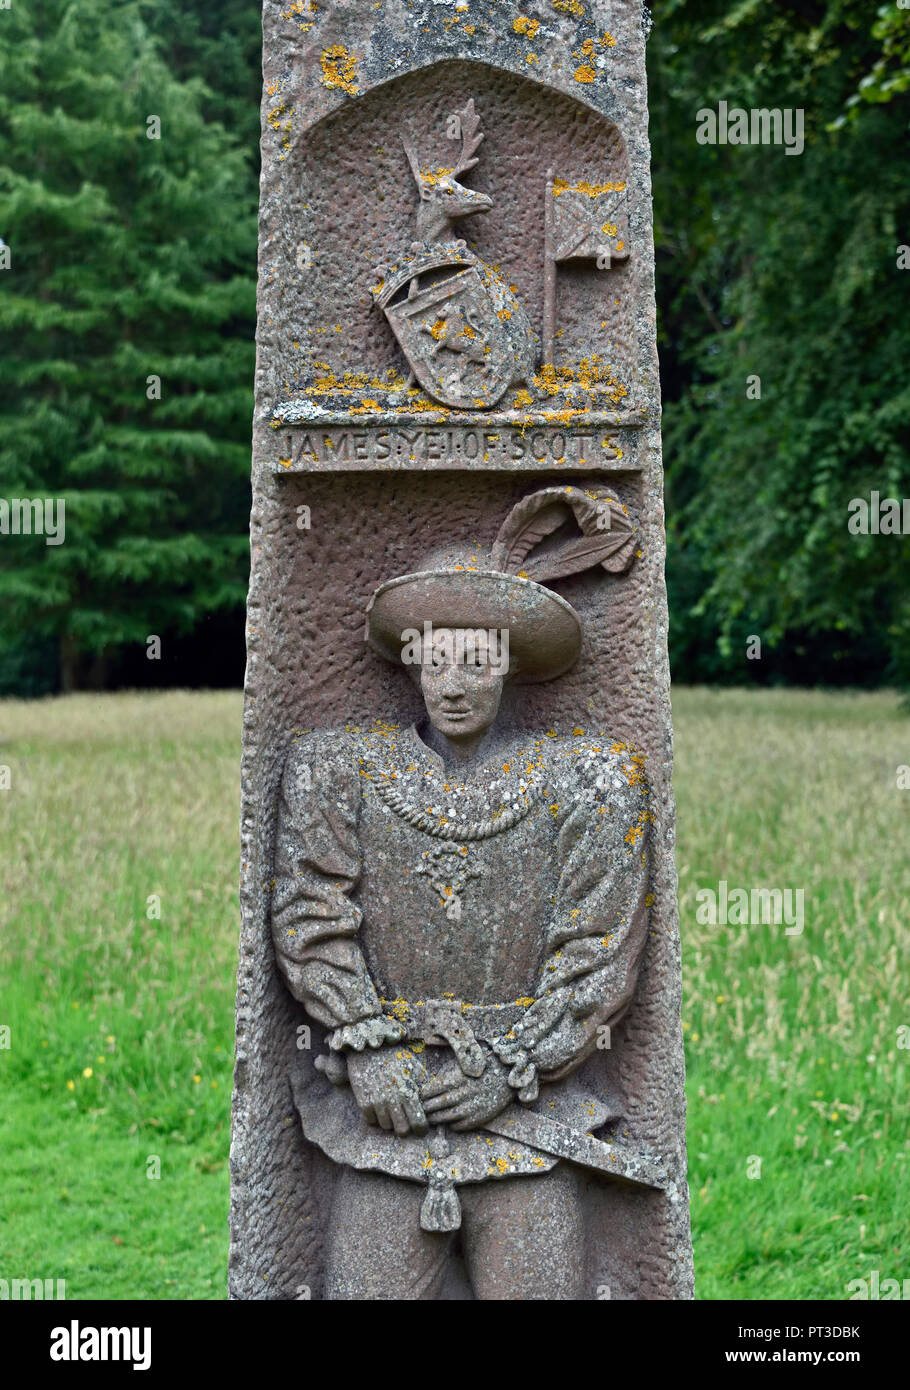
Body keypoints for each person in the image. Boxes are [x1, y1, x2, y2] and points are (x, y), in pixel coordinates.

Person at [271, 519, 652, 1299]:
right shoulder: (340, 774)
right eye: (435, 659)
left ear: (507, 664)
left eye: (476, 661)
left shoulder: (588, 786)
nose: (453, 682)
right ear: (412, 662)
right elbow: (310, 914)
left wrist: (516, 1072)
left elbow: (597, 952)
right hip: (383, 1123)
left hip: (530, 1125)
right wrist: (368, 1047)